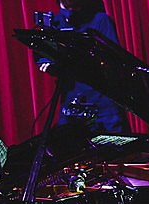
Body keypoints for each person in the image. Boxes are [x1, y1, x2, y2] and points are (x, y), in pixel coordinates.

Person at [36, 0, 129, 133]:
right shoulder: (54, 23)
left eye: (75, 7)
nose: (71, 11)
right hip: (71, 104)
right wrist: (49, 63)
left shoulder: (100, 20)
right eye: (67, 6)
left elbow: (114, 62)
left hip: (103, 106)